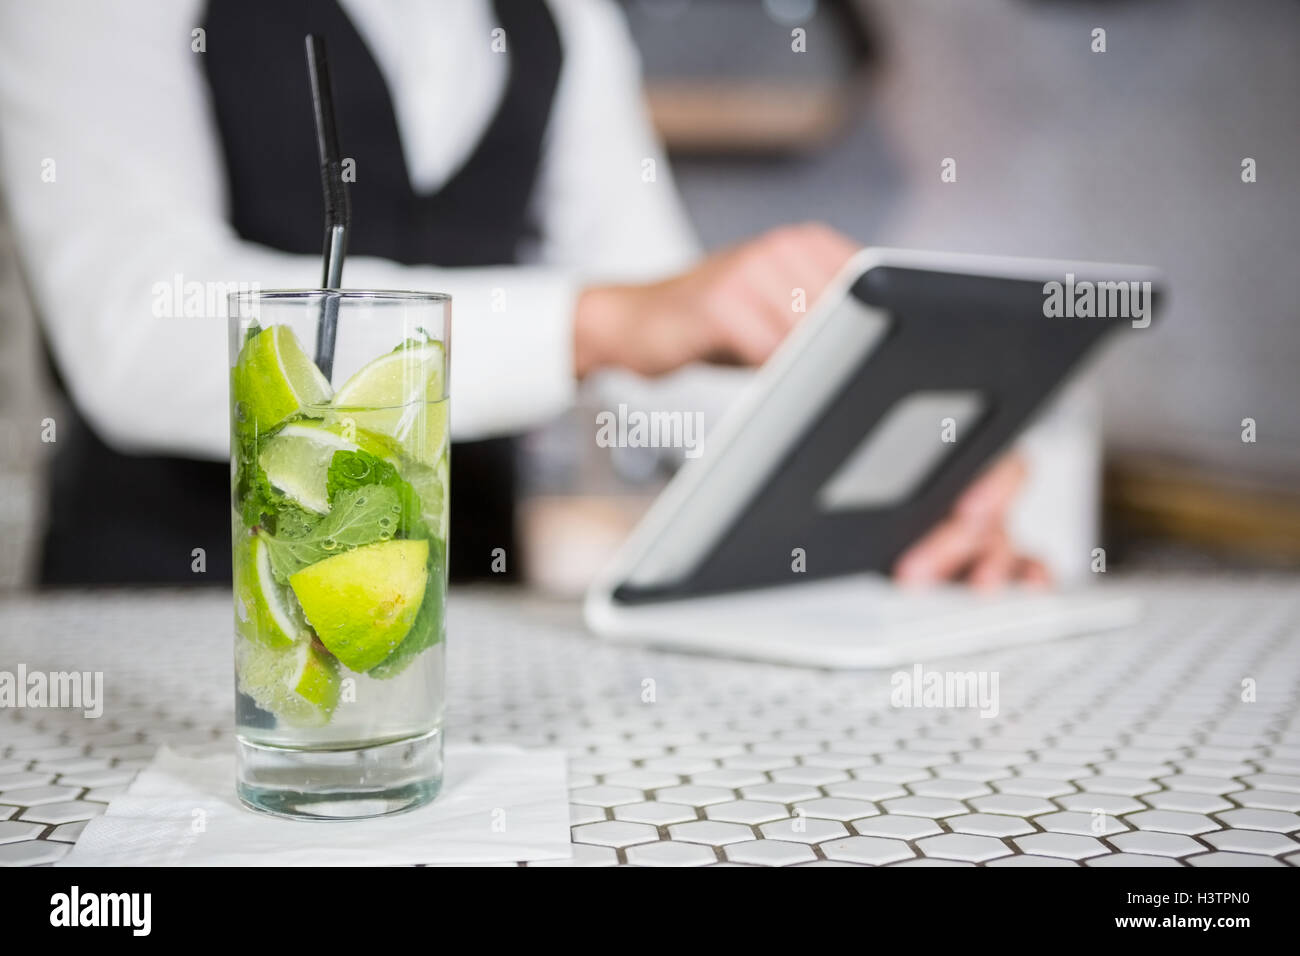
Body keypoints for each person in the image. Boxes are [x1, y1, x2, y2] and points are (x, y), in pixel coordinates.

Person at [0, 0, 1054, 588]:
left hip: (465, 627)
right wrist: (603, 319)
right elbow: (134, 328)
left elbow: (670, 347)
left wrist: (895, 478)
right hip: (162, 615)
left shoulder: (563, 17)